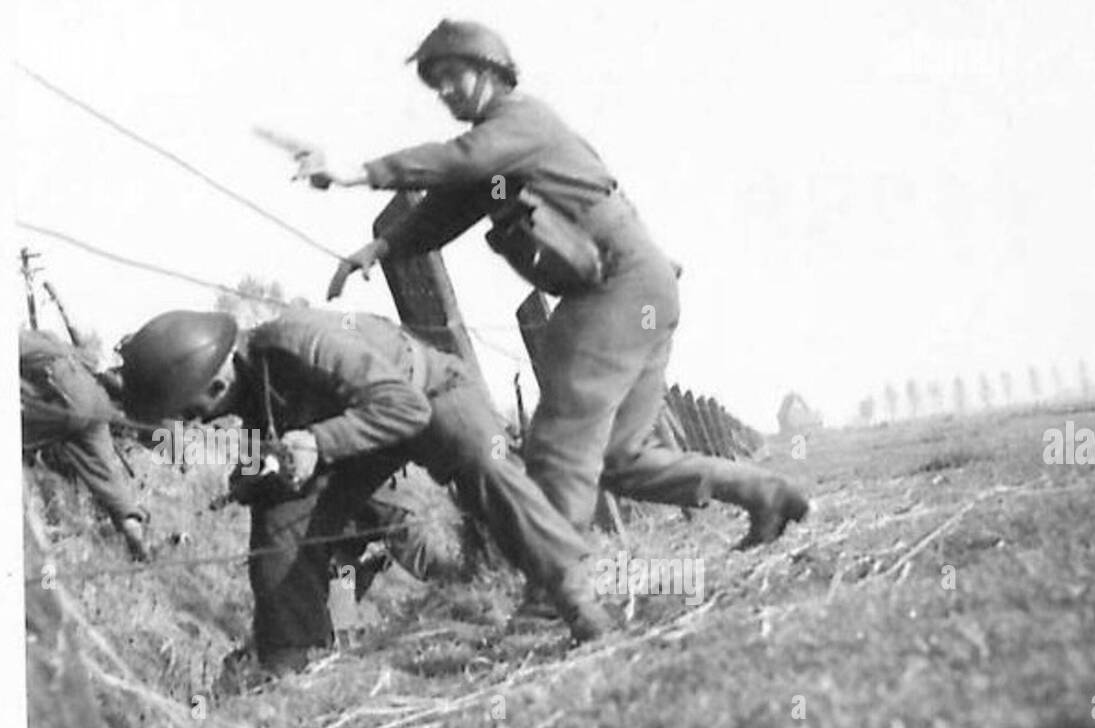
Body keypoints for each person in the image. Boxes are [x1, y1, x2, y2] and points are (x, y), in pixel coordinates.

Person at [307, 19, 810, 548]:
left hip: (616, 287)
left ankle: (558, 589)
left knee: (559, 444)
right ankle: (766, 493)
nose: (445, 92)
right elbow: (453, 202)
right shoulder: (501, 155)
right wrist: (381, 249)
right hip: (643, 287)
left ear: (490, 71)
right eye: (437, 85)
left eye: (454, 75)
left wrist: (356, 172)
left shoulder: (520, 121)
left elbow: (462, 160)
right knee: (620, 458)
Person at [118, 305, 609, 675]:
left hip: (428, 394)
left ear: (216, 382)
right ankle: (291, 669)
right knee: (277, 523)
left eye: (188, 410)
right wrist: (253, 476)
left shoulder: (298, 342)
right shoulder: (244, 390)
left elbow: (406, 408)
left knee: (487, 462)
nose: (191, 421)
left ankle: (573, 597)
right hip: (357, 439)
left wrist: (316, 441)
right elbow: (261, 451)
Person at [20, 328, 149, 560]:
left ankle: (37, 530)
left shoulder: (19, 340)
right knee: (108, 476)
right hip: (96, 401)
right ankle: (133, 530)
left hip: (65, 399)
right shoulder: (53, 342)